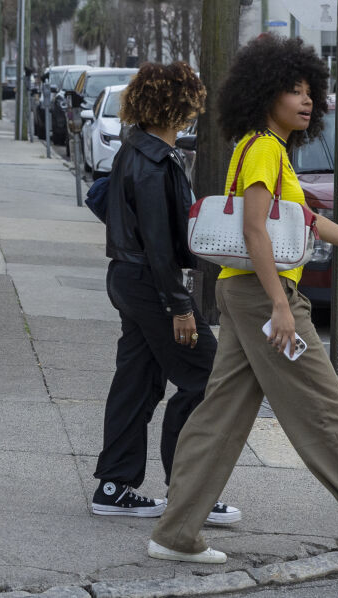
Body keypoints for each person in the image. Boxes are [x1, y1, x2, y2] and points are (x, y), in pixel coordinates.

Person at [147, 37, 338, 576]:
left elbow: (304, 222)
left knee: (219, 417)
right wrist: (282, 305)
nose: (306, 101)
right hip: (264, 296)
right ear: (266, 94)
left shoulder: (264, 147)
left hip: (241, 294)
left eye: (311, 92)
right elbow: (255, 229)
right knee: (329, 417)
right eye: (293, 90)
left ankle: (175, 532)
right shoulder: (262, 147)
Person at [91, 62, 241, 528]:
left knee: (137, 381)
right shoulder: (155, 160)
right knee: (207, 378)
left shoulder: (136, 149)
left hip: (131, 279)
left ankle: (114, 486)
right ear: (181, 106)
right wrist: (179, 305)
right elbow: (158, 240)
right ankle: (189, 492)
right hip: (154, 285)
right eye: (193, 100)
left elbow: (103, 197)